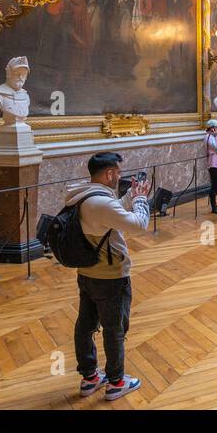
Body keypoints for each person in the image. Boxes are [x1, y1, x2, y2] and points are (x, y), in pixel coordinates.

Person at [67, 151, 150, 400]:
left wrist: (129, 197)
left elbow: (109, 215)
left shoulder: (83, 195)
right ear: (110, 173)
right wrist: (141, 200)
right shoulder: (101, 203)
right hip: (111, 276)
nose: (120, 176)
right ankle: (116, 382)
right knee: (115, 328)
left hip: (87, 271)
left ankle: (90, 377)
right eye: (118, 172)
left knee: (86, 325)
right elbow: (138, 224)